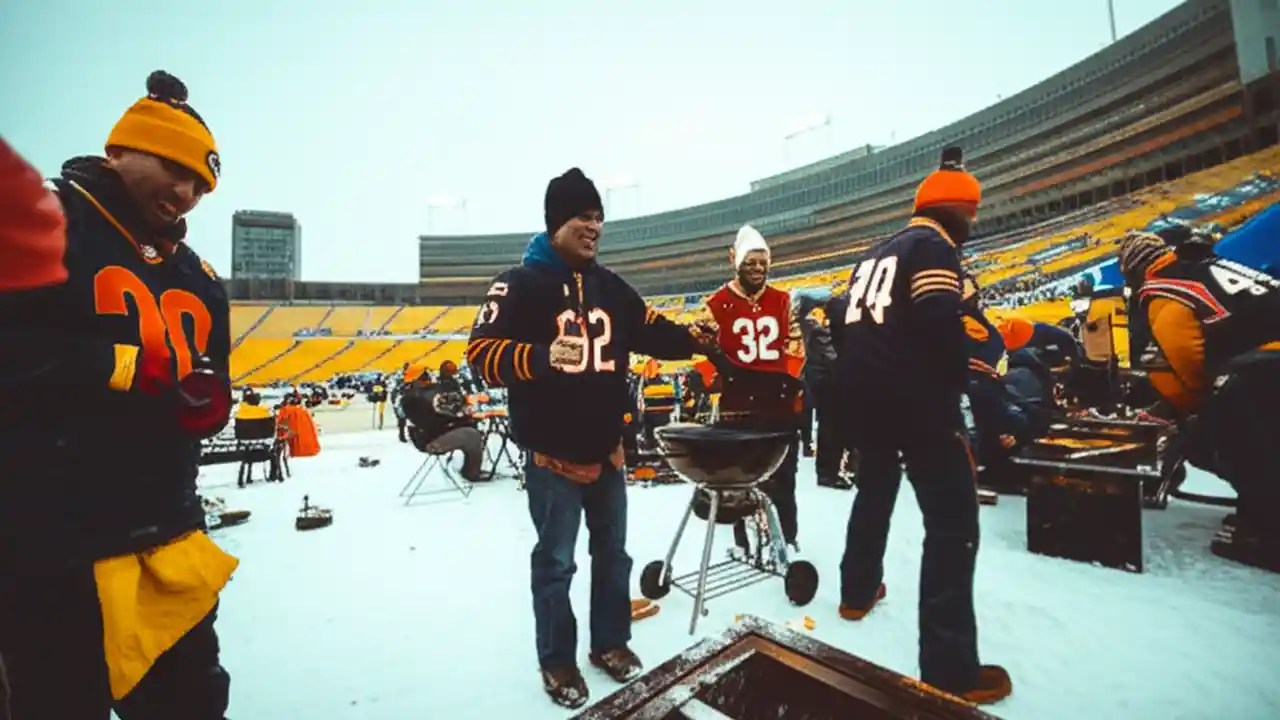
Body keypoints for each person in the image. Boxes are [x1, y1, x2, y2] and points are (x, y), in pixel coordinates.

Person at [0, 71, 237, 718]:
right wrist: (115, 365)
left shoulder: (195, 273)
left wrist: (206, 397)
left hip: (167, 535)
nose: (186, 193)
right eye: (174, 167)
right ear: (119, 150)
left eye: (200, 185)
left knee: (191, 705)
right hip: (54, 546)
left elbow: (209, 383)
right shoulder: (41, 224)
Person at [467, 167, 717, 709]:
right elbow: (480, 354)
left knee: (614, 557)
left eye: (600, 217)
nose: (595, 226)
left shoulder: (609, 286)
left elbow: (651, 327)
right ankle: (557, 659)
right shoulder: (519, 281)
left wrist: (693, 338)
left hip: (607, 454)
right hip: (551, 459)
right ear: (558, 221)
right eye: (585, 216)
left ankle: (610, 644)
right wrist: (536, 358)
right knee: (556, 564)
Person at [836, 147, 1011, 704]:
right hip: (918, 405)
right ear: (954, 209)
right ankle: (949, 669)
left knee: (874, 495)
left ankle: (856, 591)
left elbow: (847, 327)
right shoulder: (934, 247)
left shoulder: (873, 254)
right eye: (972, 212)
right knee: (954, 524)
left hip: (868, 402)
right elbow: (940, 322)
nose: (975, 223)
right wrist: (960, 381)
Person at [1118, 233, 1280, 571]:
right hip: (1264, 358)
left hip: (1264, 366)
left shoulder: (1161, 290)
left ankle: (1268, 536)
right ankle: (1258, 511)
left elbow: (1181, 354)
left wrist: (1193, 409)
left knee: (1223, 436)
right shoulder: (1209, 267)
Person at [700, 224, 807, 554]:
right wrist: (717, 379)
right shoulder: (715, 304)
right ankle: (744, 540)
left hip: (778, 404)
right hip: (737, 406)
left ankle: (787, 539)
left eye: (763, 263)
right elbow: (702, 353)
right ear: (736, 262)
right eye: (751, 263)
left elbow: (796, 347)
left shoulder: (783, 301)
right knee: (741, 479)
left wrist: (786, 383)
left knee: (784, 478)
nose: (758, 269)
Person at [401, 360, 488, 482]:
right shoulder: (422, 395)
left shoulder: (409, 395)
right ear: (421, 377)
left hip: (425, 437)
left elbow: (439, 416)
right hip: (431, 441)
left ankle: (468, 469)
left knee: (468, 431)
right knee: (472, 435)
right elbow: (440, 415)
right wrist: (461, 417)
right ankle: (471, 473)